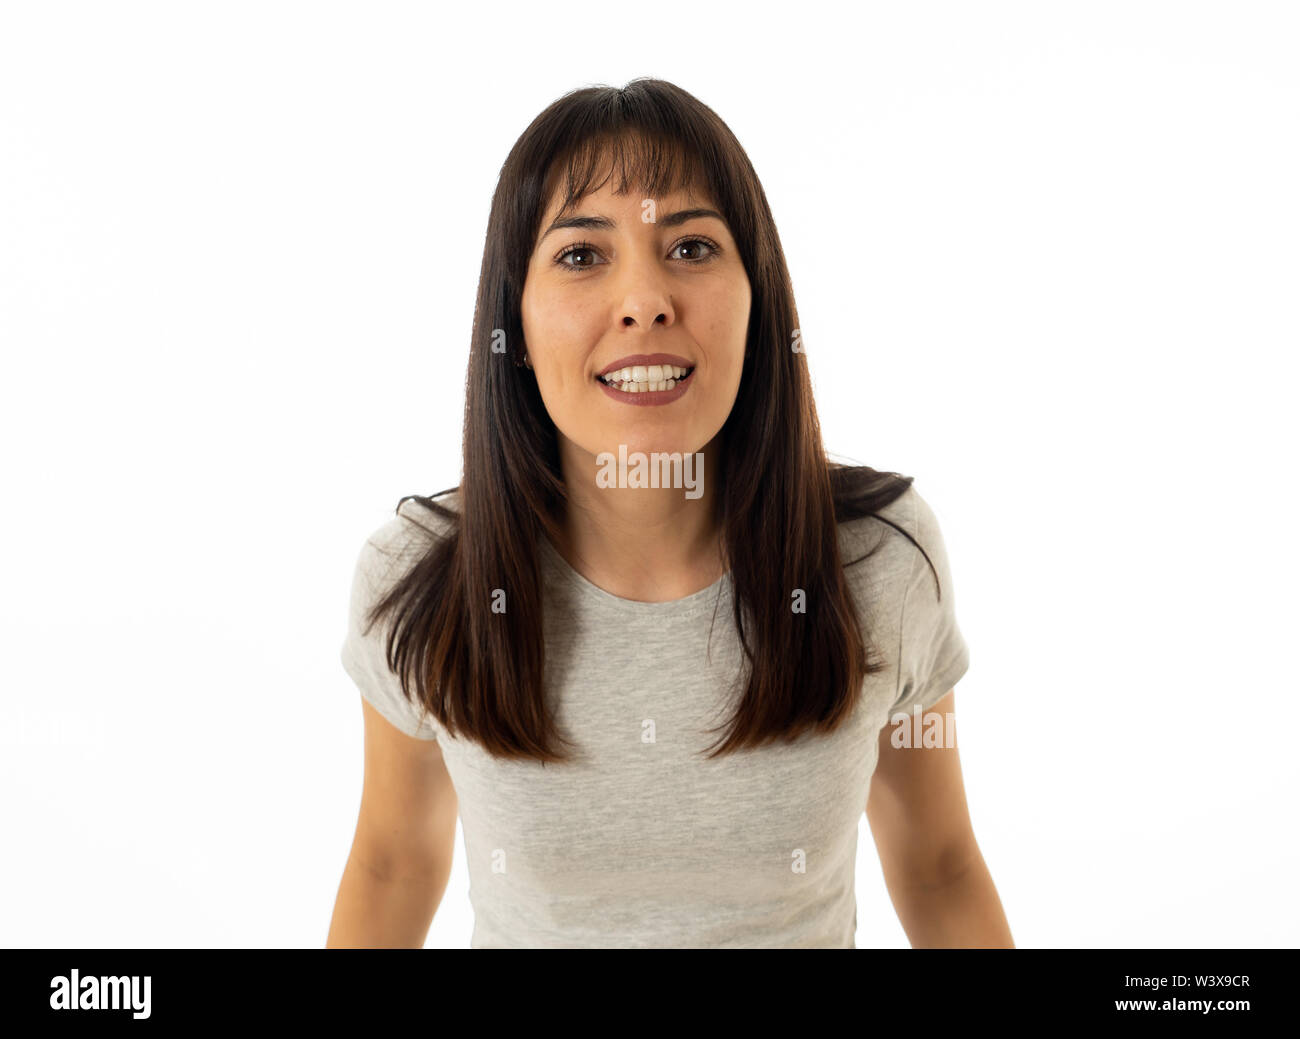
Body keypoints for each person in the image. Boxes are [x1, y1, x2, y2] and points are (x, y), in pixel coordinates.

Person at [326, 77, 1012, 949]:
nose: (645, 298)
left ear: (758, 300)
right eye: (581, 255)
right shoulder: (420, 580)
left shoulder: (881, 559)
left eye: (690, 246)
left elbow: (939, 866)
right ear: (517, 327)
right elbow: (392, 865)